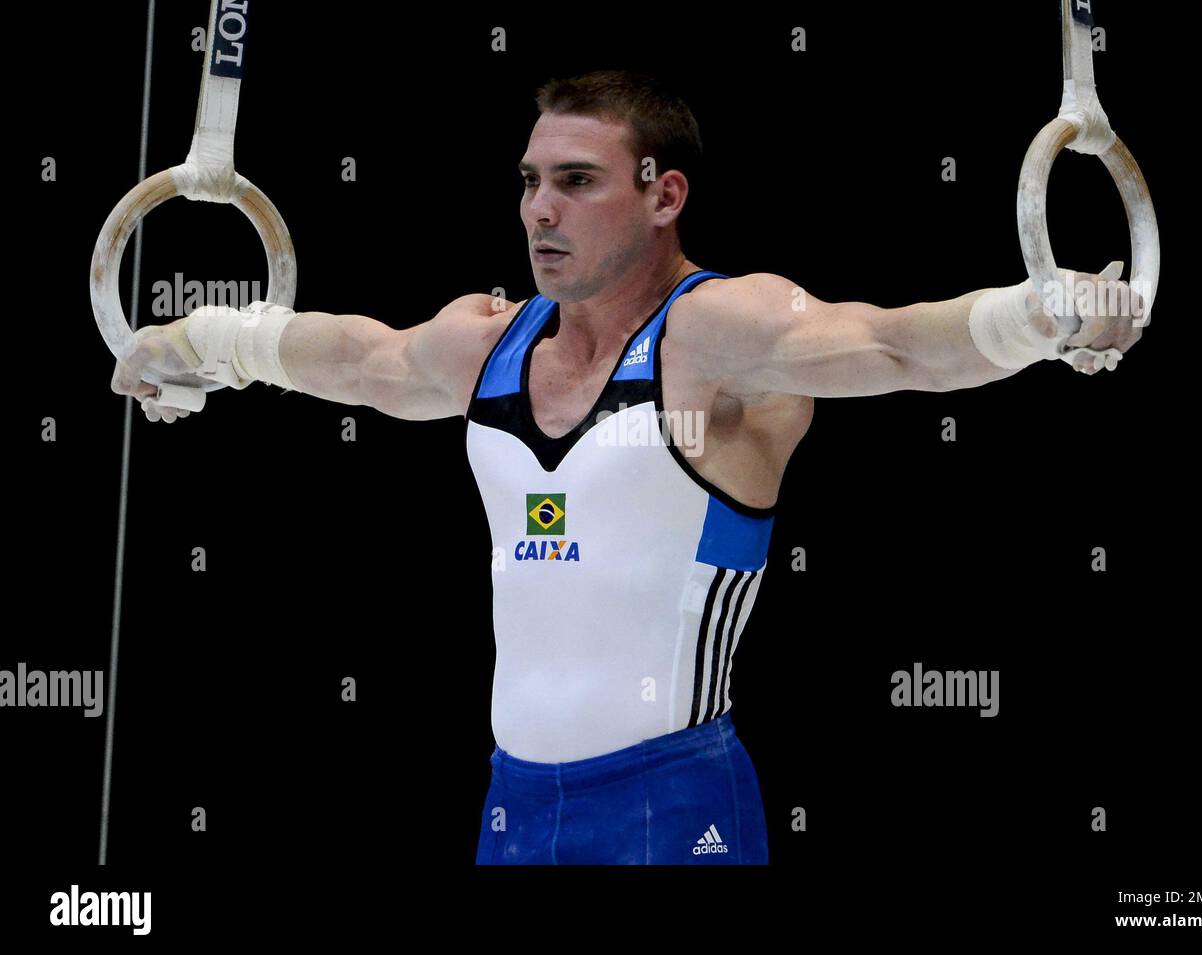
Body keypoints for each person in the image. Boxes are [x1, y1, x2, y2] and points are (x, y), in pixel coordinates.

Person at [109, 70, 1143, 864]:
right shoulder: (488, 343)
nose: (539, 209)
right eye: (530, 181)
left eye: (576, 182)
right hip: (511, 804)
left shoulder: (715, 336)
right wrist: (196, 342)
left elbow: (897, 345)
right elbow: (352, 358)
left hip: (675, 803)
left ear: (663, 195)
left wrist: (1042, 315)